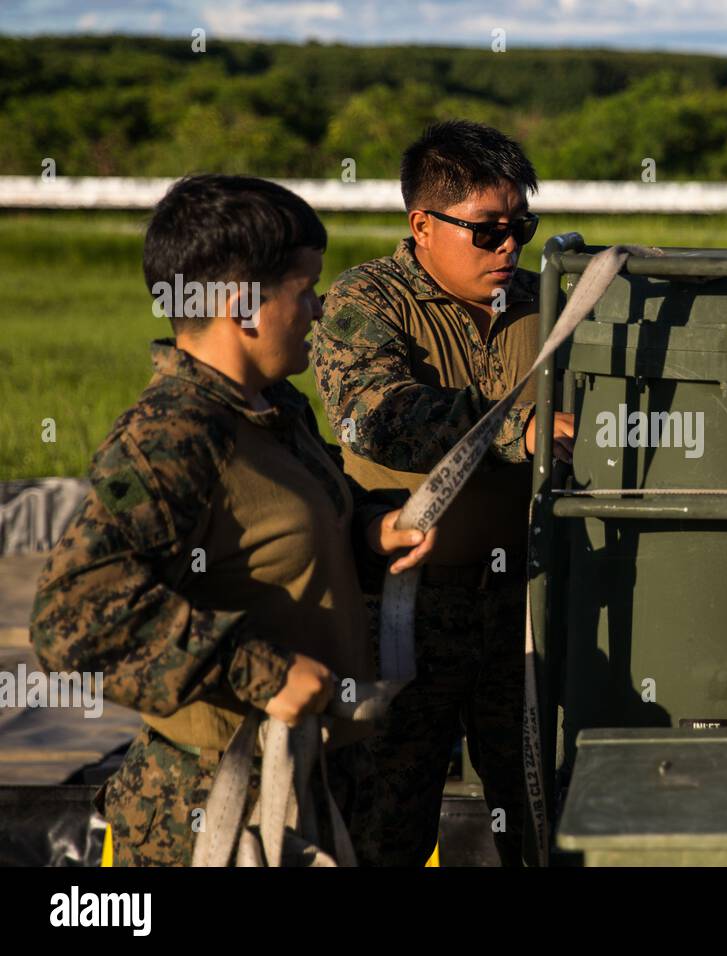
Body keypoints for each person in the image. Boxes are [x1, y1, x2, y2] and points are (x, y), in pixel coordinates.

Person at [30, 174, 436, 866]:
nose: (319, 309)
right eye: (304, 290)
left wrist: (371, 531)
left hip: (306, 782)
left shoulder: (271, 412)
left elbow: (287, 534)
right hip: (212, 810)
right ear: (242, 307)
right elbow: (74, 616)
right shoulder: (173, 436)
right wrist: (262, 671)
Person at [312, 119, 573, 866]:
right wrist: (512, 430)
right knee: (386, 831)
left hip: (525, 617)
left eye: (522, 226)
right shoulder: (367, 302)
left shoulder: (549, 304)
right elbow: (375, 419)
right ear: (423, 224)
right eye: (488, 231)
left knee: (544, 820)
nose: (509, 247)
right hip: (401, 614)